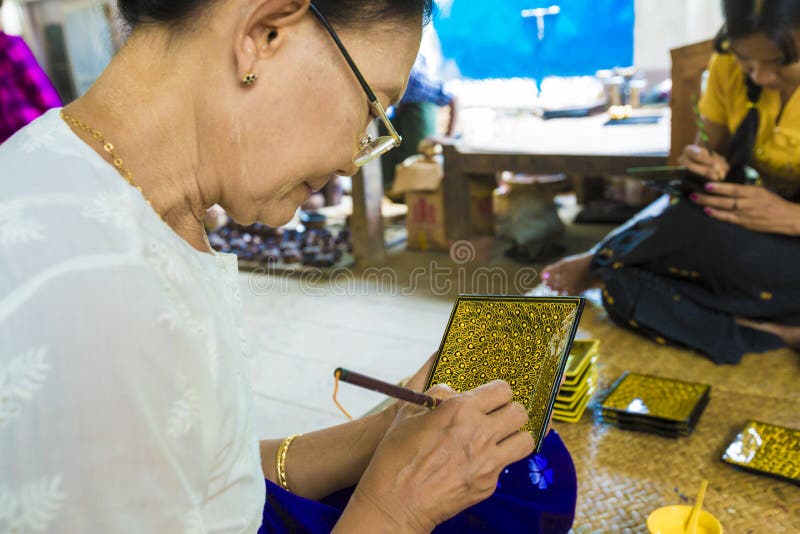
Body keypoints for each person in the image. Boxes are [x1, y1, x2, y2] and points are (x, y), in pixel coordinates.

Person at [0, 1, 575, 532]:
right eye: (372, 105)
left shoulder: (132, 194)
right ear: (262, 33)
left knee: (530, 467)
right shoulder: (90, 292)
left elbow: (208, 478)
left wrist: (376, 434)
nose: (356, 159)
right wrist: (396, 508)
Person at [542, 0, 800, 365]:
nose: (759, 76)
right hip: (752, 230)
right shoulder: (727, 64)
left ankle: (606, 262)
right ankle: (781, 330)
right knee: (644, 264)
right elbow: (706, 148)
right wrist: (702, 161)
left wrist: (790, 217)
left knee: (650, 265)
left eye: (778, 63)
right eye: (747, 60)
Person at [380, 24, 459, 189]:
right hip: (402, 145)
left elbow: (452, 98)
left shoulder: (415, 78)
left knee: (419, 181)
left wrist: (448, 137)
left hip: (419, 149)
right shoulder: (388, 82)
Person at [0, 0, 62, 143]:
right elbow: (41, 90)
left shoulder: (9, 44)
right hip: (30, 135)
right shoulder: (9, 44)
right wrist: (62, 128)